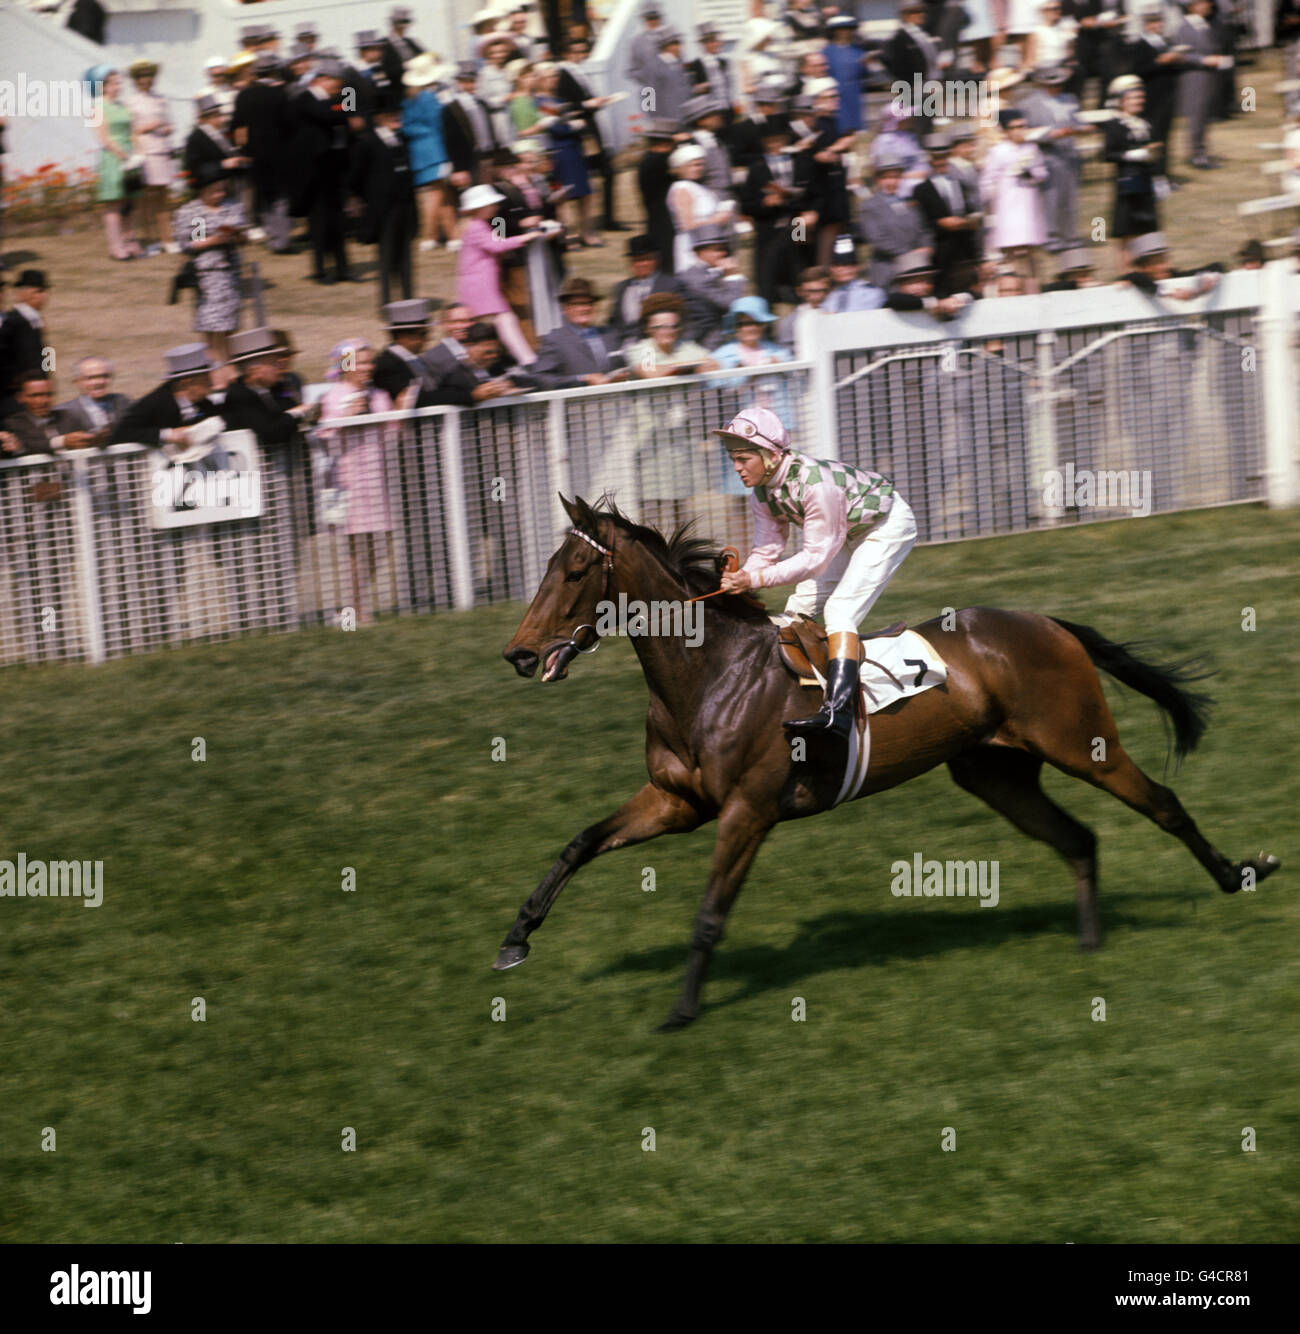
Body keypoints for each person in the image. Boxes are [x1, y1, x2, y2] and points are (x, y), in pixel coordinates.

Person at [716, 405, 917, 739]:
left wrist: (754, 579)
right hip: (845, 534)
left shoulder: (816, 485)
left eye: (743, 459)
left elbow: (815, 560)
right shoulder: (762, 494)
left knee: (839, 610)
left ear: (770, 454)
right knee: (797, 609)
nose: (736, 468)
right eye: (733, 458)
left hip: (886, 525)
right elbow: (767, 550)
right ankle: (788, 697)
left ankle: (839, 712)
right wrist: (741, 581)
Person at [316, 339, 397, 624]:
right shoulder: (334, 396)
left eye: (368, 362)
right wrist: (345, 417)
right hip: (342, 483)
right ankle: (352, 609)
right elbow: (323, 436)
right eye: (359, 362)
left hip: (376, 480)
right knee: (353, 547)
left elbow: (392, 433)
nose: (366, 368)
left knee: (381, 542)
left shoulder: (379, 395)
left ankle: (355, 602)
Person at [455, 183, 548, 364]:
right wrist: (525, 235)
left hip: (486, 281)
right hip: (480, 285)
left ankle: (524, 359)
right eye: (490, 204)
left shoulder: (485, 222)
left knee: (500, 322)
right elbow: (497, 244)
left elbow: (498, 241)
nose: (495, 207)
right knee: (500, 321)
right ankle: (527, 360)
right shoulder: (477, 225)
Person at [289, 58, 360, 285]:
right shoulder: (305, 98)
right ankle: (320, 269)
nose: (338, 89)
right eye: (335, 83)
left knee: (337, 220)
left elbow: (347, 108)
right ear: (323, 79)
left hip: (332, 166)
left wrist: (346, 102)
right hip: (314, 170)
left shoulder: (334, 99)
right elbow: (328, 115)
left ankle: (342, 268)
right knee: (319, 221)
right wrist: (345, 109)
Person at [174, 163, 248, 360]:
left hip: (231, 272)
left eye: (222, 190)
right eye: (214, 191)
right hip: (208, 275)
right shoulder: (195, 213)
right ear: (202, 190)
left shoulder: (232, 207)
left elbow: (243, 235)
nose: (219, 195)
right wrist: (215, 240)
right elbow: (193, 243)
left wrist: (238, 236)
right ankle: (215, 366)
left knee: (230, 324)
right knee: (212, 326)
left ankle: (230, 363)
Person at [741, 116, 817, 306]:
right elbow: (747, 204)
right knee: (767, 277)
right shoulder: (757, 168)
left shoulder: (801, 162)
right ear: (764, 143)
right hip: (769, 228)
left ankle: (804, 311)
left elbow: (816, 194)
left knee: (800, 270)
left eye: (780, 140)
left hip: (797, 223)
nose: (775, 145)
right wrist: (765, 203)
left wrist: (812, 212)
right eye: (770, 141)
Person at [350, 100, 418, 308]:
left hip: (404, 205)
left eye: (397, 114)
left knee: (405, 257)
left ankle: (408, 299)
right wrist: (363, 201)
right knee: (386, 257)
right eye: (391, 115)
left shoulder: (402, 139)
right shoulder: (367, 143)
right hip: (383, 208)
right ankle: (387, 303)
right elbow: (356, 177)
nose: (396, 119)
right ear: (379, 119)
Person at [556, 34, 622, 231]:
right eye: (577, 52)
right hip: (580, 132)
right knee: (585, 179)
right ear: (567, 53)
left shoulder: (578, 71)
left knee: (606, 173)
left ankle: (607, 219)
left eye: (583, 51)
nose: (581, 55)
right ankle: (586, 224)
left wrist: (596, 102)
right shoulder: (563, 74)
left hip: (590, 127)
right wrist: (587, 104)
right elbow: (563, 105)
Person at [231, 50, 295, 254]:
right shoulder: (281, 93)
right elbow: (290, 124)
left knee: (265, 195)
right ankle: (283, 240)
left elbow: (237, 125)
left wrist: (243, 148)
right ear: (275, 72)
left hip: (255, 152)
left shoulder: (244, 95)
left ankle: (273, 237)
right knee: (281, 196)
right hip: (281, 151)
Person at [1018, 65, 1084, 254]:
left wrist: (1081, 128)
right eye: (1052, 84)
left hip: (1068, 154)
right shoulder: (1028, 104)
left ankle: (1071, 235)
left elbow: (1077, 121)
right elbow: (1026, 132)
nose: (1057, 87)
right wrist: (1051, 135)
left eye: (1060, 83)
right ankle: (1051, 236)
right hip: (1047, 155)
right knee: (1051, 198)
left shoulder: (1069, 99)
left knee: (1070, 198)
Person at [980, 109, 1049, 291]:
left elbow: (1042, 173)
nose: (1020, 131)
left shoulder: (1031, 149)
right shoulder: (998, 151)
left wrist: (1030, 173)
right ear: (1005, 130)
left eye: (1022, 127)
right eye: (1015, 128)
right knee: (1013, 252)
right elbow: (987, 180)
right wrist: (991, 205)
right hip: (1007, 205)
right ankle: (1014, 288)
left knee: (1030, 253)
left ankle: (1033, 288)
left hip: (1028, 202)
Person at [221, 327, 320, 450]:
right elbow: (271, 433)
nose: (280, 366)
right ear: (254, 370)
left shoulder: (280, 386)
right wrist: (297, 412)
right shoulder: (239, 395)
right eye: (273, 363)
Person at [112, 343, 220, 448]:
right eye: (206, 379)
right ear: (186, 382)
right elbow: (121, 433)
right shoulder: (153, 403)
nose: (211, 383)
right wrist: (167, 434)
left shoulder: (204, 402)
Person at [529, 277, 627, 389]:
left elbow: (624, 365)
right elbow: (541, 378)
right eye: (576, 304)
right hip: (578, 404)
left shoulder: (610, 335)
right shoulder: (555, 340)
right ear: (565, 309)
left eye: (587, 303)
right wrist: (582, 379)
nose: (583, 308)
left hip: (617, 401)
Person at [913, 136, 981, 296]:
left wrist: (962, 223)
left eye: (943, 157)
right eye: (936, 158)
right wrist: (965, 222)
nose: (940, 162)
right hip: (940, 255)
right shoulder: (922, 189)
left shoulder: (960, 183)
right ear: (929, 159)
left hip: (965, 251)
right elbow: (944, 222)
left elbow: (973, 216)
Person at [1104, 76, 1160, 257]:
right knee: (1127, 232)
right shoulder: (1115, 125)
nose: (1139, 101)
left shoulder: (1144, 123)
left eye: (1140, 97)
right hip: (1127, 185)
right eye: (1134, 98)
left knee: (1148, 230)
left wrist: (1159, 177)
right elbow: (1107, 154)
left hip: (1146, 182)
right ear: (1122, 101)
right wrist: (1132, 155)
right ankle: (1127, 272)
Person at [402, 55, 454, 251]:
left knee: (441, 193)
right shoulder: (430, 97)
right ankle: (429, 236)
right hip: (435, 149)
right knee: (436, 194)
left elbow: (406, 126)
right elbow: (438, 125)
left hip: (418, 149)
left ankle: (452, 235)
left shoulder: (409, 98)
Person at [126, 59, 176, 255]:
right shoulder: (130, 102)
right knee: (145, 200)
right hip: (145, 153)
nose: (145, 80)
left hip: (161, 150)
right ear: (136, 80)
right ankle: (150, 241)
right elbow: (130, 130)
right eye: (141, 76)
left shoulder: (161, 99)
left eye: (148, 76)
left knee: (164, 198)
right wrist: (148, 128)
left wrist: (167, 128)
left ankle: (167, 239)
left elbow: (169, 124)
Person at [1128, 4, 1183, 182]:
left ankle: (1164, 173)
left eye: (1159, 21)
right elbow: (1139, 70)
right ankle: (1154, 175)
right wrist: (1160, 61)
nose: (1158, 25)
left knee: (1166, 138)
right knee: (1154, 138)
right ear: (1146, 24)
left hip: (1167, 97)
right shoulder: (1140, 45)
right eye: (1153, 22)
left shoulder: (1165, 42)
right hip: (1152, 99)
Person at [858, 156, 930, 289]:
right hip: (889, 270)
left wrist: (926, 246)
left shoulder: (909, 202)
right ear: (877, 180)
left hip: (917, 269)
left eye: (896, 177)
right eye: (886, 178)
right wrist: (911, 254)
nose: (892, 182)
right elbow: (877, 238)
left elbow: (923, 229)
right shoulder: (869, 206)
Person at [93, 68, 141, 261]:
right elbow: (103, 138)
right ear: (103, 86)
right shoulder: (96, 107)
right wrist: (122, 154)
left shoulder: (124, 106)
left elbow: (133, 131)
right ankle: (115, 246)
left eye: (119, 83)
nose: (118, 87)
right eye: (114, 83)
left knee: (130, 202)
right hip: (113, 158)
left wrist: (139, 151)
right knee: (113, 204)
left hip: (130, 157)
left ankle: (130, 241)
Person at [666, 143, 735, 274]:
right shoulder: (682, 188)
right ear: (682, 167)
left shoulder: (699, 187)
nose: (699, 168)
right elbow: (687, 225)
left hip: (709, 243)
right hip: (692, 245)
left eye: (701, 164)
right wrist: (716, 220)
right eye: (695, 165)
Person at [1176, 0, 1229, 170]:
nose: (1207, 5)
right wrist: (1204, 60)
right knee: (1197, 118)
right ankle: (1196, 154)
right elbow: (1182, 54)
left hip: (1208, 78)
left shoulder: (1204, 25)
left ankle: (1202, 151)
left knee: (1205, 117)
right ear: (1192, 6)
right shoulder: (1184, 28)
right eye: (1202, 3)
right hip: (1195, 78)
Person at [678, 225, 750, 349]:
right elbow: (731, 304)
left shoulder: (715, 272)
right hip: (706, 341)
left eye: (723, 249)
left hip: (723, 337)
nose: (722, 253)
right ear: (700, 252)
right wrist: (733, 276)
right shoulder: (695, 277)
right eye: (716, 250)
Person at [606, 234, 686, 347]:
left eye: (647, 259)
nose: (642, 264)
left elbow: (687, 320)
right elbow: (614, 323)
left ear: (656, 260)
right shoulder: (621, 288)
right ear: (630, 262)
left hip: (660, 347)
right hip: (625, 347)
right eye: (637, 260)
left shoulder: (672, 285)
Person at [425, 319, 524, 405]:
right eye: (488, 352)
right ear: (469, 347)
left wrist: (511, 383)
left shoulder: (499, 366)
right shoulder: (453, 374)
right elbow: (434, 396)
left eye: (497, 352)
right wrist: (473, 395)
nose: (494, 356)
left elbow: (532, 380)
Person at [624, 291, 715, 379]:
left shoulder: (687, 346)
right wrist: (690, 366)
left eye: (673, 326)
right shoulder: (641, 349)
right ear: (647, 329)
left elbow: (712, 365)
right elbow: (651, 373)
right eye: (659, 327)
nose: (667, 332)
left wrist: (677, 369)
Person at [0, 372, 96, 455]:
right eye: (35, 395)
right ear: (20, 398)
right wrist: (62, 441)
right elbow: (28, 444)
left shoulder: (68, 417)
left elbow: (88, 439)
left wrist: (95, 439)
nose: (43, 401)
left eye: (48, 394)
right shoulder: (13, 424)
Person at [372, 298, 442, 403]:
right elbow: (417, 399)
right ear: (402, 337)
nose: (428, 339)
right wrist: (465, 395)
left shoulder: (414, 359)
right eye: (422, 334)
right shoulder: (388, 366)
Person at [0, 270, 51, 409]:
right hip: (18, 395)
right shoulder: (12, 321)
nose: (43, 296)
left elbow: (47, 350)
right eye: (37, 291)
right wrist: (20, 387)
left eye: (44, 291)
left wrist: (48, 376)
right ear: (23, 293)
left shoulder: (35, 320)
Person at [55, 357, 129, 440]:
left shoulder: (124, 402)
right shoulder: (63, 412)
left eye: (104, 376)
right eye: (91, 378)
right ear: (77, 382)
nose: (99, 382)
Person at [822, 235, 887, 312]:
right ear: (831, 268)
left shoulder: (871, 293)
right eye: (837, 265)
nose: (843, 269)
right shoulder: (830, 295)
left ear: (858, 267)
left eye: (849, 264)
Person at [774, 267, 831, 353]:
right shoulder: (789, 322)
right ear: (799, 291)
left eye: (822, 291)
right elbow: (787, 353)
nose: (817, 296)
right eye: (811, 291)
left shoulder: (834, 314)